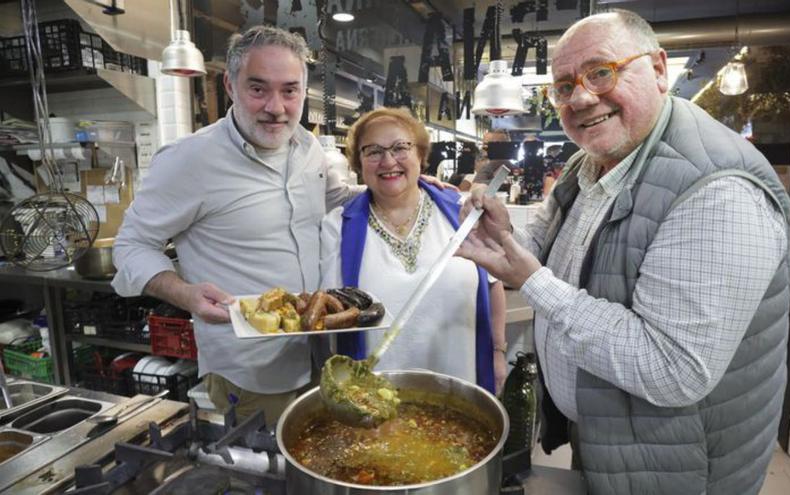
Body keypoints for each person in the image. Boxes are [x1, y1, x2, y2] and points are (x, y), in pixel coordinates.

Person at [458, 9, 790, 495]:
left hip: (675, 467)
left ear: (658, 69)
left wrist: (533, 281)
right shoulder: (590, 162)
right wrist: (506, 235)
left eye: (601, 72)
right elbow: (558, 256)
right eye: (565, 85)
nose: (582, 97)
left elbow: (674, 369)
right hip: (610, 443)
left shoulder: (718, 190)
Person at [111, 26, 366, 425]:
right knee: (264, 480)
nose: (277, 107)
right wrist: (186, 295)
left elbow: (334, 200)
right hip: (250, 371)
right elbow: (130, 246)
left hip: (320, 355)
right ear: (230, 85)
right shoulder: (189, 160)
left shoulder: (308, 147)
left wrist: (407, 183)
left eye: (290, 90)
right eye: (258, 88)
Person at [319, 107, 508, 393]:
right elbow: (329, 311)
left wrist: (497, 352)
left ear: (420, 154)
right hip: (376, 396)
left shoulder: (461, 212)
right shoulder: (337, 227)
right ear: (358, 163)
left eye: (400, 147)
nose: (388, 160)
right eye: (373, 151)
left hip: (460, 382)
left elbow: (493, 285)